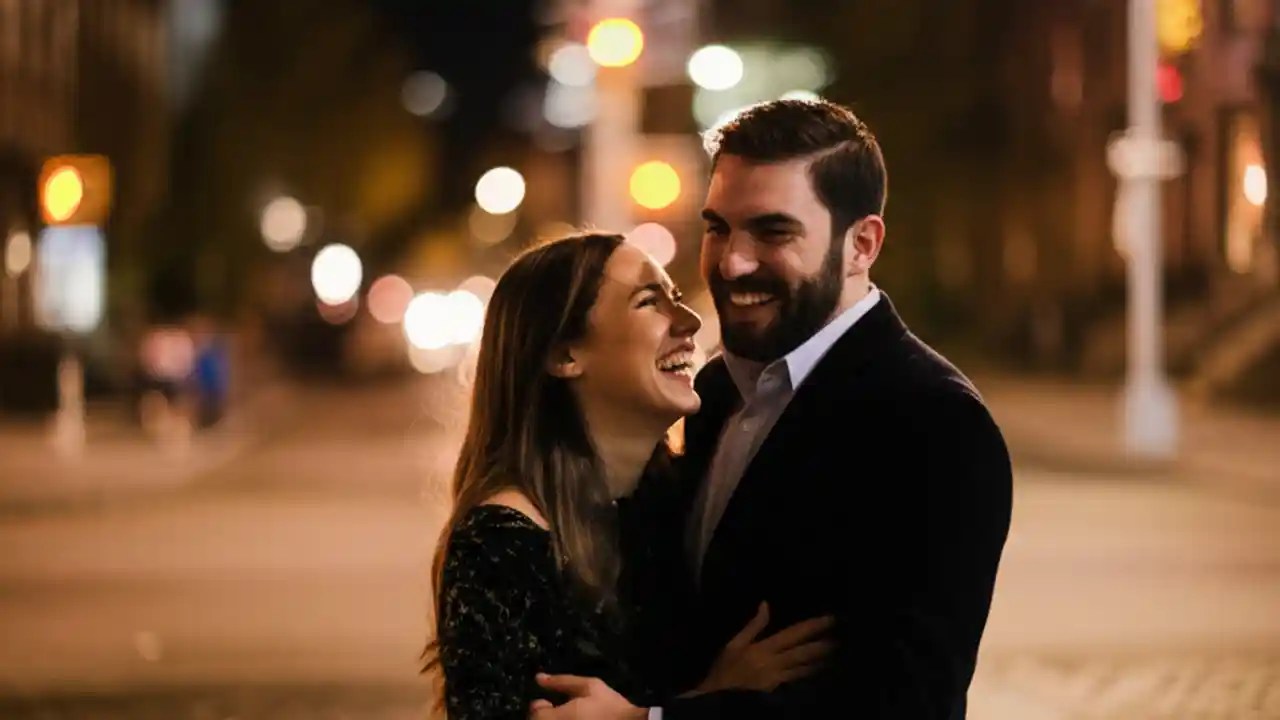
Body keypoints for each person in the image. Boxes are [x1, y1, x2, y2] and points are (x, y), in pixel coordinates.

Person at [531, 100, 1013, 719]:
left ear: (860, 244)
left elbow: (905, 701)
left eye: (773, 232)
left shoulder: (934, 422)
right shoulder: (717, 391)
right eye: (718, 227)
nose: (732, 261)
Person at [423, 233, 834, 720]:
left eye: (675, 297)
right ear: (564, 355)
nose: (690, 321)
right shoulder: (502, 544)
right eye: (648, 301)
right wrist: (714, 697)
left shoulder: (681, 498)